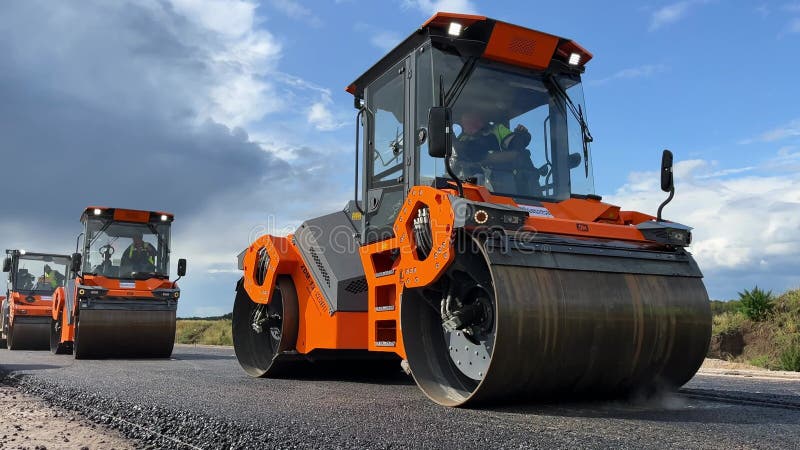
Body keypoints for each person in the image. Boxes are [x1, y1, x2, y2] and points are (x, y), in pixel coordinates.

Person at [452, 110, 536, 192]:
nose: (466, 126)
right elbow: (455, 166)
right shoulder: (461, 141)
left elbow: (514, 144)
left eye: (470, 121)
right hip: (472, 185)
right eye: (465, 123)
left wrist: (521, 135)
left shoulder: (497, 130)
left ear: (479, 120)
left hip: (502, 182)